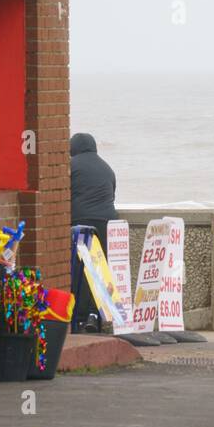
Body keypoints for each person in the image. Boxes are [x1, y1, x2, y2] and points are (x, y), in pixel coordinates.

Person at [70, 133, 118, 331]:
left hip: (82, 223)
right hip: (107, 223)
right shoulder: (107, 167)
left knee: (80, 271)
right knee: (98, 271)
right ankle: (95, 315)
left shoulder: (72, 166)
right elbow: (112, 194)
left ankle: (79, 316)